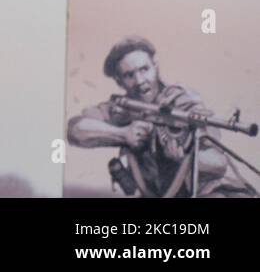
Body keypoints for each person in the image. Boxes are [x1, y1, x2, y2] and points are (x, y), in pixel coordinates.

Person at [67, 36, 258, 197]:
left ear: (156, 66)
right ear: (119, 81)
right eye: (129, 75)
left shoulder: (181, 101)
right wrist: (122, 134)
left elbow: (219, 164)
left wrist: (184, 159)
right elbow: (75, 130)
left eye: (144, 70)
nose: (140, 81)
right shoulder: (123, 108)